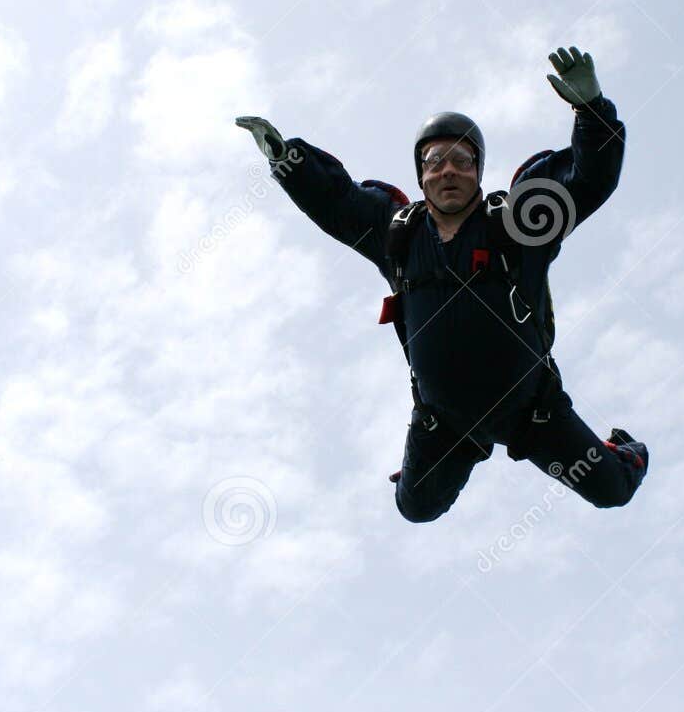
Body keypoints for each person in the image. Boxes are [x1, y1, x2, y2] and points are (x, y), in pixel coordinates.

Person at [235, 46, 647, 522]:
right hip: (446, 422)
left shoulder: (519, 223)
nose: (448, 169)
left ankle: (624, 451)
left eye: (462, 160)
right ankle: (433, 461)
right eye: (434, 161)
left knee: (612, 490)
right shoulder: (396, 234)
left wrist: (592, 109)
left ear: (478, 172)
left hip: (532, 411)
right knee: (416, 507)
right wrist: (288, 161)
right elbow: (335, 201)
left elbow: (589, 180)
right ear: (421, 176)